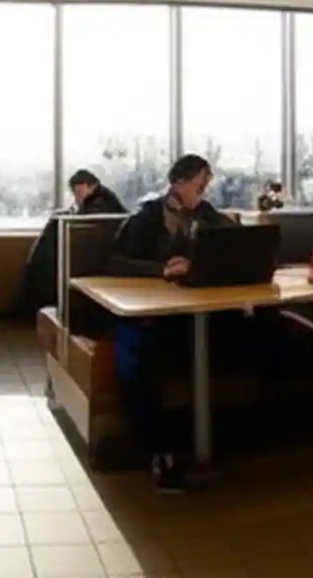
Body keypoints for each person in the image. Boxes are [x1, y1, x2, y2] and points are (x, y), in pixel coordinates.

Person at [108, 154, 255, 493]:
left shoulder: (207, 216)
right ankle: (161, 455)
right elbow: (115, 261)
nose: (204, 188)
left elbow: (239, 244)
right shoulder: (147, 216)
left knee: (257, 331)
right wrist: (160, 270)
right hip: (151, 312)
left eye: (206, 183)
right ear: (177, 182)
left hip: (195, 312)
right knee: (138, 359)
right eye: (199, 182)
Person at [15, 170, 128, 315]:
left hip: (95, 257)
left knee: (49, 251)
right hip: (95, 255)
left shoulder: (101, 203)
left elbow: (92, 229)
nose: (77, 197)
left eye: (78, 191)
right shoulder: (104, 200)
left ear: (89, 186)